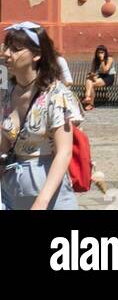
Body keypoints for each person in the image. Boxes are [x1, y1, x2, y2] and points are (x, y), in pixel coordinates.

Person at [0, 22, 81, 210]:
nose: (6, 54)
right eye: (6, 47)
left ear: (37, 55)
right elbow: (5, 143)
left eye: (15, 49)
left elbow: (64, 152)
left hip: (46, 189)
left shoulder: (56, 95)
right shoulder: (7, 92)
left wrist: (41, 202)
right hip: (11, 185)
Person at [81, 44, 115, 112]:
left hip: (108, 77)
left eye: (102, 52)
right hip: (99, 77)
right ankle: (88, 98)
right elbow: (92, 71)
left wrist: (102, 60)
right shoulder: (95, 60)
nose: (100, 54)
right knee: (89, 80)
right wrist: (92, 75)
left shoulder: (110, 59)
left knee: (91, 85)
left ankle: (90, 102)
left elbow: (105, 70)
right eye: (99, 52)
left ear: (105, 53)